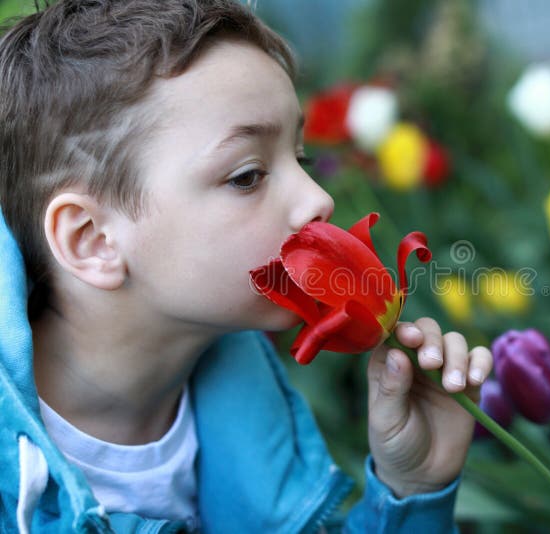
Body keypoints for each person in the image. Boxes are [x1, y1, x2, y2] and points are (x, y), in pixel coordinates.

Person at [0, 1, 493, 532]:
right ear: (93, 240)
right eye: (247, 176)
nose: (318, 200)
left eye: (300, 159)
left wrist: (411, 490)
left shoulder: (258, 432)